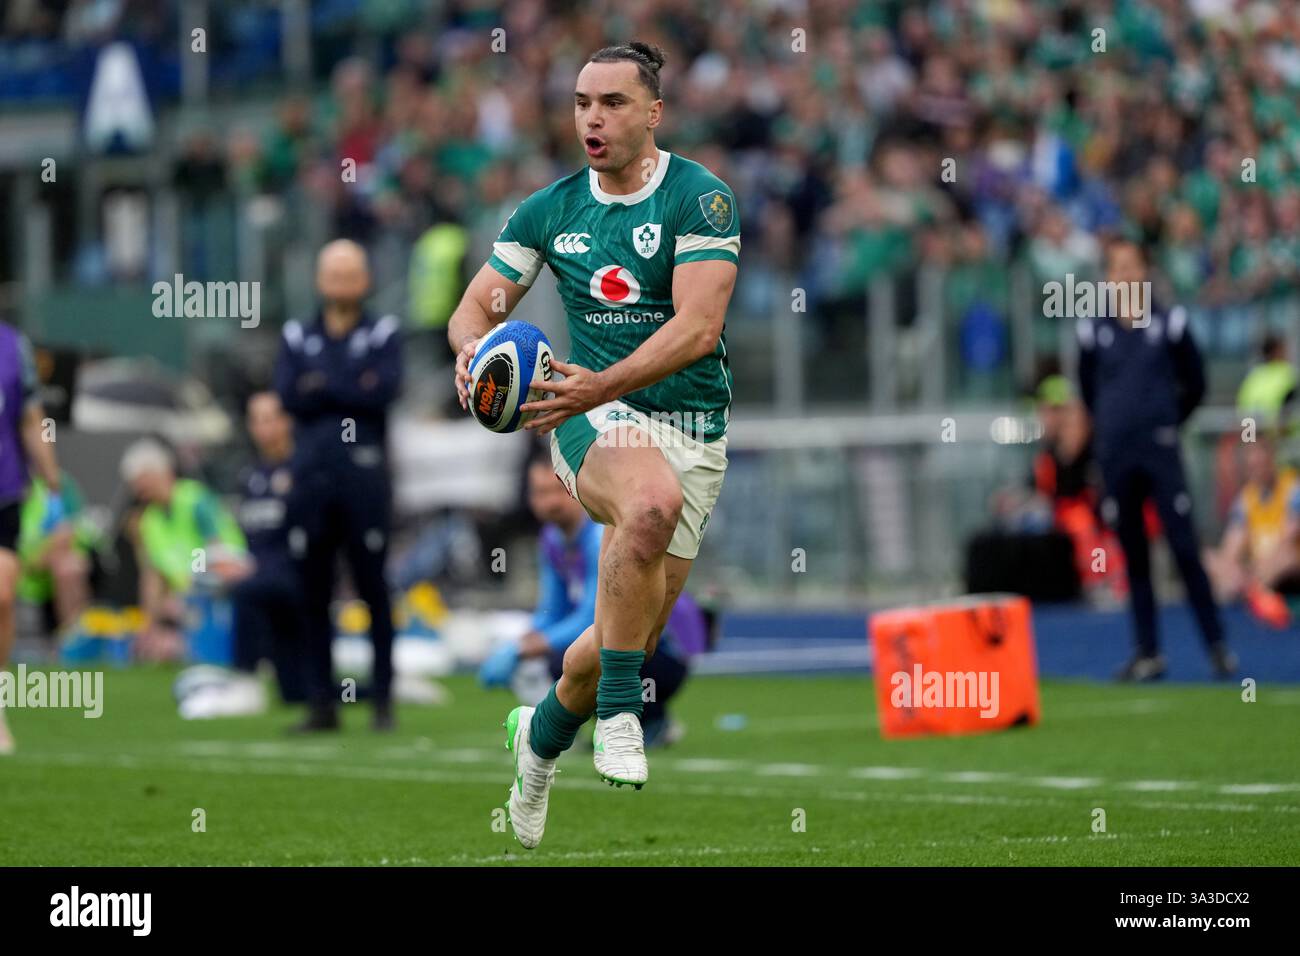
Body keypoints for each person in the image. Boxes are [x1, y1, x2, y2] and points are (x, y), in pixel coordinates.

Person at [448, 41, 739, 848]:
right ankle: (620, 716)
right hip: (586, 414)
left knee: (627, 637)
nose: (592, 119)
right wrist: (470, 354)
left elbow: (697, 328)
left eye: (611, 103)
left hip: (690, 426)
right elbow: (475, 308)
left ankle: (537, 744)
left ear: (653, 112)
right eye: (582, 103)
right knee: (647, 508)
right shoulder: (548, 210)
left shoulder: (701, 200)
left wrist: (602, 384)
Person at [1076, 238, 1236, 681]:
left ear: (1145, 271)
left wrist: (1166, 421)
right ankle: (1147, 652)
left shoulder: (1170, 322)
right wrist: (1112, 427)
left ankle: (1217, 644)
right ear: (1107, 277)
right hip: (1118, 453)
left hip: (1160, 450)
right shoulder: (1094, 329)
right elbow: (1088, 388)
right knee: (1133, 553)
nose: (1124, 276)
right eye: (1116, 268)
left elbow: (1196, 382)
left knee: (1184, 546)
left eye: (1131, 266)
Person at [480, 450, 695, 746]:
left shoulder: (599, 536)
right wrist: (522, 642)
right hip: (619, 640)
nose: (550, 503)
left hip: (663, 652)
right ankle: (627, 722)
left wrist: (523, 650)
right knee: (549, 653)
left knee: (564, 658)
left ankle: (646, 719)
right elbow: (551, 611)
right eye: (540, 493)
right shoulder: (553, 540)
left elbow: (594, 616)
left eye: (558, 490)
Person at [274, 239, 402, 732]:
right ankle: (320, 704)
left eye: (351, 273)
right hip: (310, 479)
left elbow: (383, 391)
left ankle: (383, 701)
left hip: (363, 479)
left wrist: (322, 387)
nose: (342, 283)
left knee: (374, 587)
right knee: (311, 590)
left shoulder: (383, 332)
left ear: (365, 279)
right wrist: (350, 387)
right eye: (334, 273)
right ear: (318, 279)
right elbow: (288, 394)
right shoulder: (296, 334)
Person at [0, 324, 66, 754]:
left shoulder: (13, 344)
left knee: (2, 594)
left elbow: (31, 413)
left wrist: (49, 467)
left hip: (4, 489)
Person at [120, 439, 249, 659]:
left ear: (162, 473)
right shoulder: (149, 521)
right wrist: (149, 627)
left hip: (224, 590)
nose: (139, 490)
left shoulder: (195, 500)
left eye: (142, 481)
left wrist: (188, 595)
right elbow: (153, 576)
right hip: (185, 604)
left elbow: (215, 552)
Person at [1204, 434, 1300, 628]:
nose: (1257, 468)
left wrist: (1260, 568)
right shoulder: (1246, 499)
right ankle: (1255, 592)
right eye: (1252, 464)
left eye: (1260, 462)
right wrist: (1230, 567)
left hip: (1287, 565)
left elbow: (1288, 538)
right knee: (1208, 558)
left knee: (1285, 557)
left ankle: (1254, 592)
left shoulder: (1293, 488)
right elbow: (1231, 547)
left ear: (1271, 458)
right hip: (1257, 569)